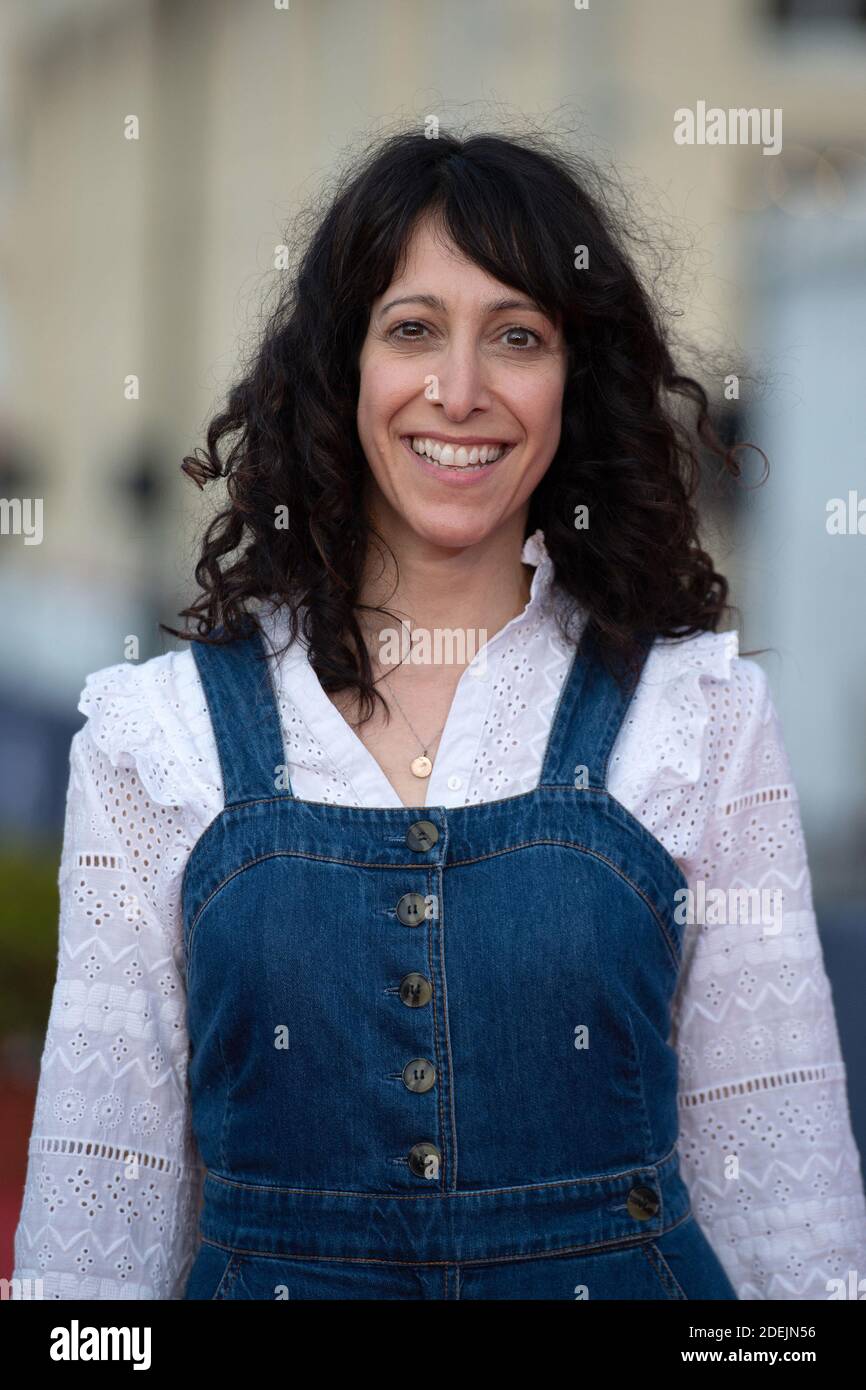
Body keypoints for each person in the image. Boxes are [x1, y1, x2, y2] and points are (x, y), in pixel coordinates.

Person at [12, 130, 866, 1300]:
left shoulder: (699, 714)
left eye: (516, 336)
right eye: (411, 329)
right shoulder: (152, 740)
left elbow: (786, 1208)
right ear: (340, 368)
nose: (458, 390)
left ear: (575, 379)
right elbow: (89, 1242)